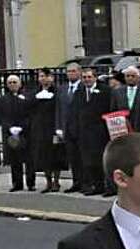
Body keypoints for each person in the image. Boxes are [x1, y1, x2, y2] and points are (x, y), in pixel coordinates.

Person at [71, 67, 112, 195]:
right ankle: (95, 186)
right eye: (84, 77)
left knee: (102, 160)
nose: (87, 80)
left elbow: (110, 109)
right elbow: (75, 112)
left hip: (100, 132)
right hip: (85, 133)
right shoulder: (79, 92)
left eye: (89, 77)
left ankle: (108, 187)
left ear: (95, 77)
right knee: (88, 161)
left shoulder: (105, 91)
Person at [0, 74, 35, 192]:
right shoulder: (2, 100)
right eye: (10, 83)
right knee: (14, 159)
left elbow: (31, 114)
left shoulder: (28, 97)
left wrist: (22, 127)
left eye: (15, 82)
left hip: (26, 132)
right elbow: (0, 117)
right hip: (10, 134)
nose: (13, 85)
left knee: (29, 160)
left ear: (20, 84)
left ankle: (31, 183)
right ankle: (17, 183)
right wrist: (9, 128)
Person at [29, 68, 64, 192]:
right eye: (41, 76)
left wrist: (59, 128)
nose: (43, 78)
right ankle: (48, 181)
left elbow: (61, 109)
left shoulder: (58, 91)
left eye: (45, 76)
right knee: (44, 156)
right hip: (40, 128)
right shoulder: (35, 92)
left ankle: (56, 181)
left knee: (56, 155)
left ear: (51, 77)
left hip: (54, 127)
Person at [55, 63, 83, 191]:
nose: (71, 73)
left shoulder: (84, 87)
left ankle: (86, 183)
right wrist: (59, 127)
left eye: (73, 71)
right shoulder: (62, 89)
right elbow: (59, 109)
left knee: (83, 158)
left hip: (80, 128)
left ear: (79, 72)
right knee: (73, 159)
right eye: (69, 71)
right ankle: (76, 182)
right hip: (67, 129)